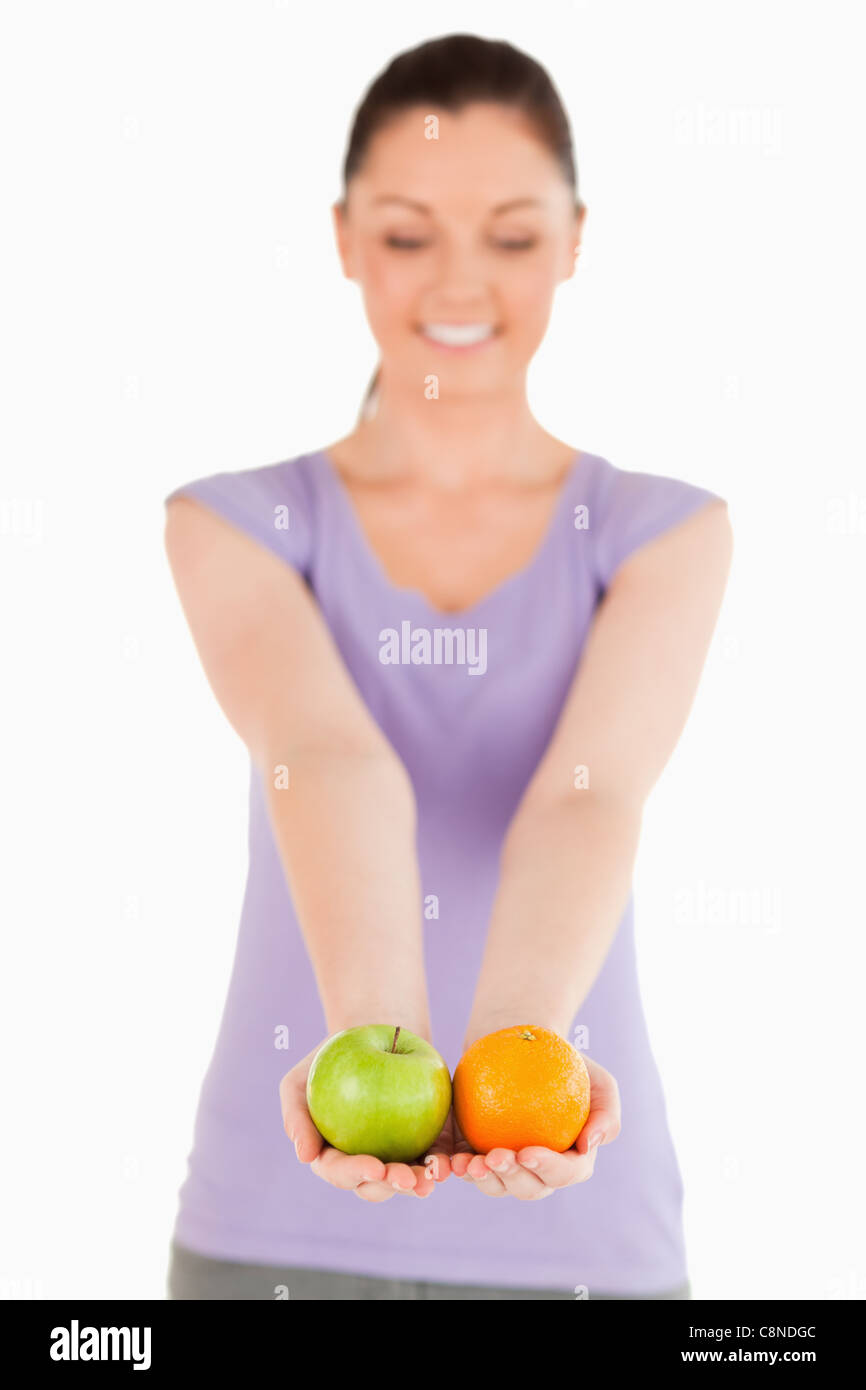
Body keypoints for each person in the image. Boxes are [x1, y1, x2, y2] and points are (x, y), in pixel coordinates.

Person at [163, 32, 732, 1301]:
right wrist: (389, 1058)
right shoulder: (235, 521)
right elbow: (327, 753)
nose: (458, 280)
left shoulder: (662, 532)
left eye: (513, 236)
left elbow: (586, 795)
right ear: (344, 235)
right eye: (409, 232)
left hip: (582, 1234)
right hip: (273, 1225)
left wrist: (513, 1066)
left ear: (574, 241)